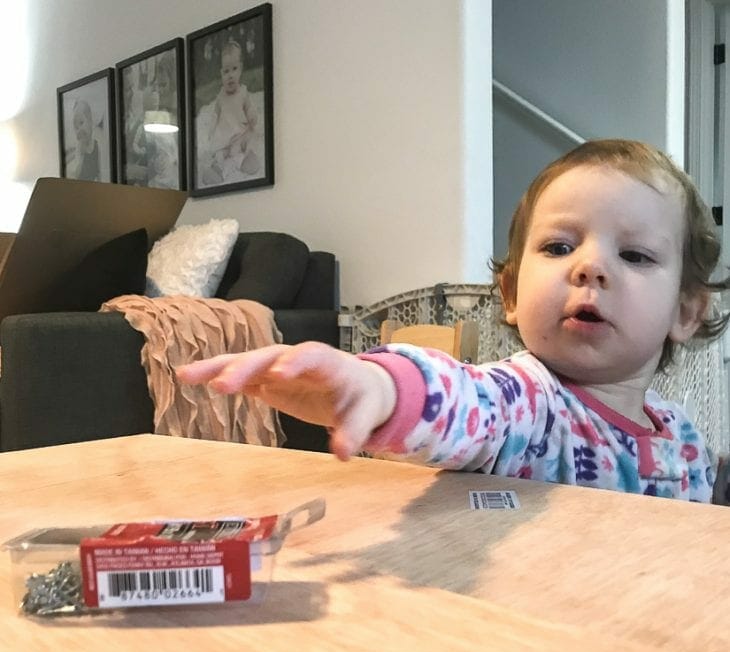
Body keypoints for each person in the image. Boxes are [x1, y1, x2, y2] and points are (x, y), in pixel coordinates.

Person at [177, 139, 730, 503]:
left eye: (634, 256)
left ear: (685, 311)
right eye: (560, 246)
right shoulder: (524, 404)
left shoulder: (682, 437)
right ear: (510, 292)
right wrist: (378, 386)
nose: (590, 267)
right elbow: (459, 399)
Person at [196, 37, 261, 186]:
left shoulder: (243, 92)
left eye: (234, 69)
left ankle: (245, 161)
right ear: (221, 74)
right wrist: (212, 130)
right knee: (220, 154)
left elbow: (250, 108)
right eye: (226, 71)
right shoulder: (220, 95)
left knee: (238, 150)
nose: (230, 75)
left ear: (241, 69)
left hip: (239, 133)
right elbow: (216, 114)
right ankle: (216, 171)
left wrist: (252, 116)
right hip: (224, 136)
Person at [67, 99, 101, 181]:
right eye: (76, 127)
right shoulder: (78, 150)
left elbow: (99, 172)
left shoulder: (97, 146)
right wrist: (80, 155)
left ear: (90, 122)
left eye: (81, 122)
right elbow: (76, 175)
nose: (79, 129)